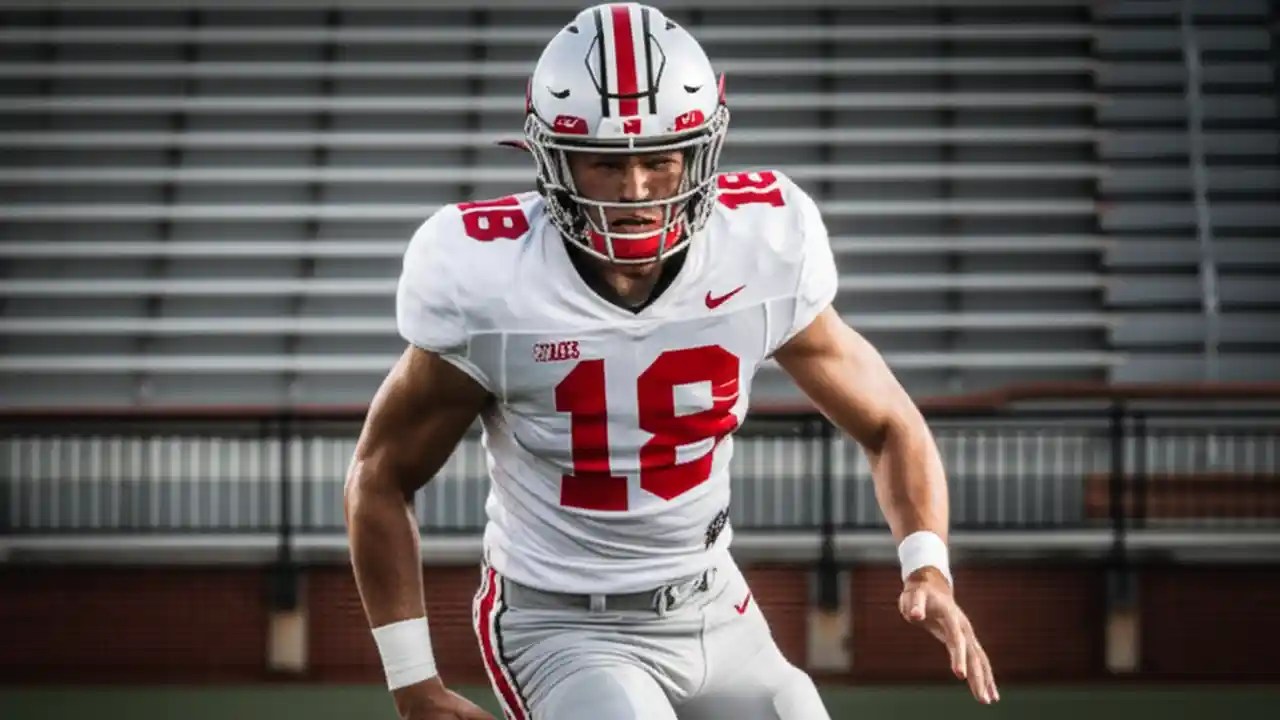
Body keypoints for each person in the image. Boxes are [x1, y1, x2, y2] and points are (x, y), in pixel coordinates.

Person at [344, 3, 998, 719]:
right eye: (606, 164)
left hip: (715, 603)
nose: (635, 192)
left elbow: (890, 424)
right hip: (562, 623)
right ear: (554, 161)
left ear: (700, 151)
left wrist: (926, 564)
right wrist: (412, 680)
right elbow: (382, 473)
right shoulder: (487, 279)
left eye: (658, 159)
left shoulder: (762, 248)